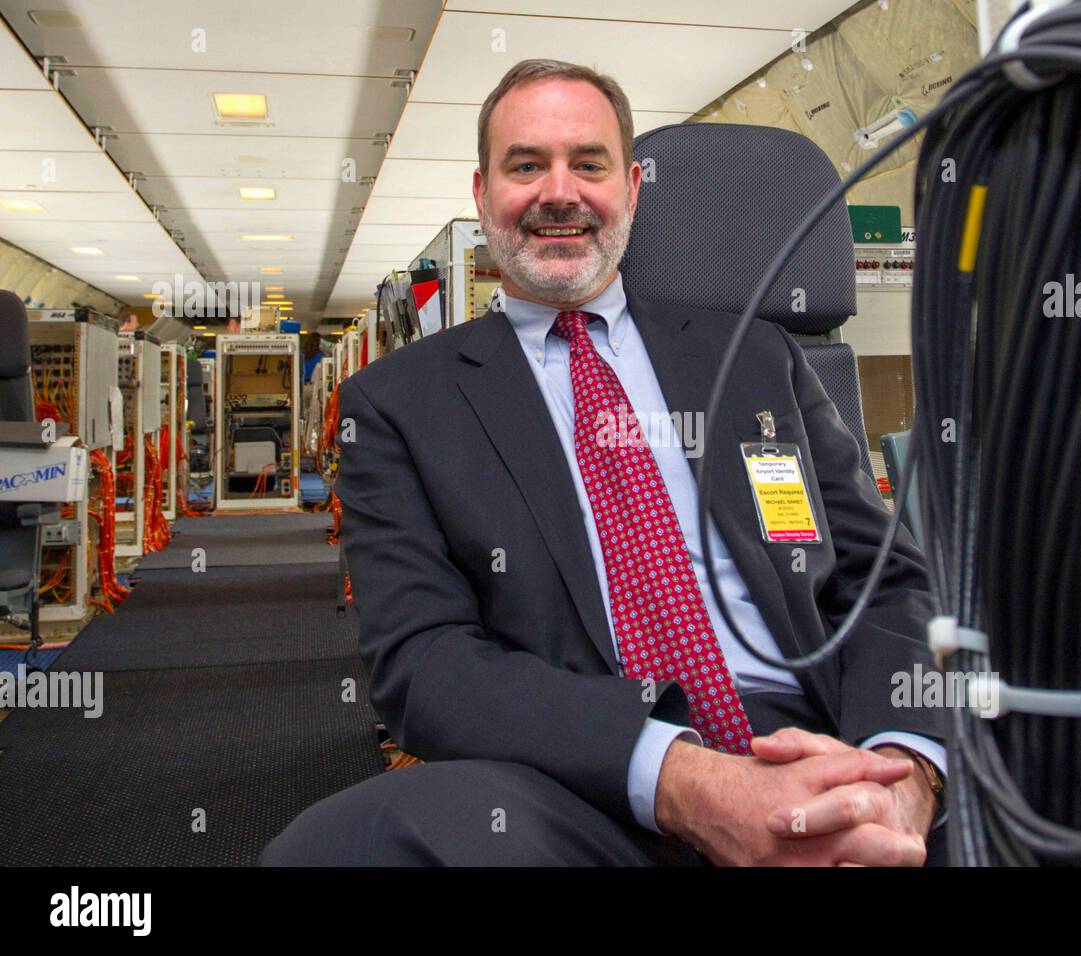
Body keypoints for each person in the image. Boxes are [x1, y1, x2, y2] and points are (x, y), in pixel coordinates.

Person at [262, 58, 946, 867]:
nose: (560, 192)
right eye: (527, 166)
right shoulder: (398, 404)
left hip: (822, 737)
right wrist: (683, 782)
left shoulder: (756, 357)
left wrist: (903, 773)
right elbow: (426, 664)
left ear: (632, 188)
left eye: (589, 164)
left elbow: (888, 581)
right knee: (339, 850)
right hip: (594, 773)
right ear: (482, 196)